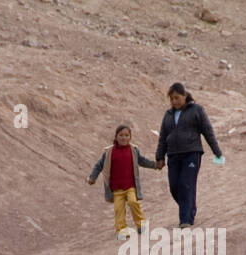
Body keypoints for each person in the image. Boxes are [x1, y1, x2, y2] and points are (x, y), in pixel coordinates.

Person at [155, 82, 223, 227]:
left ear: (184, 96)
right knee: (174, 186)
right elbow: (163, 137)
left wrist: (217, 152)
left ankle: (186, 220)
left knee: (186, 184)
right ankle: (189, 207)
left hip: (191, 153)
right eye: (171, 99)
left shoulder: (197, 110)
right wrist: (159, 157)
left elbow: (207, 131)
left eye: (177, 98)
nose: (174, 101)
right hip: (173, 155)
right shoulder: (168, 115)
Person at [88, 122, 158, 239]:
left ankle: (141, 223)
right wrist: (92, 178)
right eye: (121, 135)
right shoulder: (109, 152)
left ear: (130, 137)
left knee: (133, 202)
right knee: (118, 210)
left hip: (130, 186)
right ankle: (122, 230)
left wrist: (155, 165)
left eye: (126, 135)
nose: (124, 137)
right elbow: (98, 166)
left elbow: (142, 161)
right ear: (116, 136)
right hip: (116, 189)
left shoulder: (133, 150)